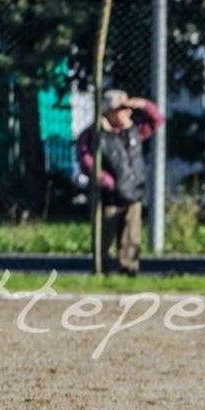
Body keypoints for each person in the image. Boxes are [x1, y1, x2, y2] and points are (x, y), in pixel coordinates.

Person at [77, 89, 164, 276]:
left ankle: (129, 271)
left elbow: (157, 120)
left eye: (128, 109)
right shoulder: (95, 134)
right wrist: (104, 180)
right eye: (122, 109)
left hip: (133, 192)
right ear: (109, 111)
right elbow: (86, 160)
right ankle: (101, 271)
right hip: (109, 196)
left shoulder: (133, 131)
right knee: (104, 237)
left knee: (131, 237)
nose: (128, 113)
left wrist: (143, 104)